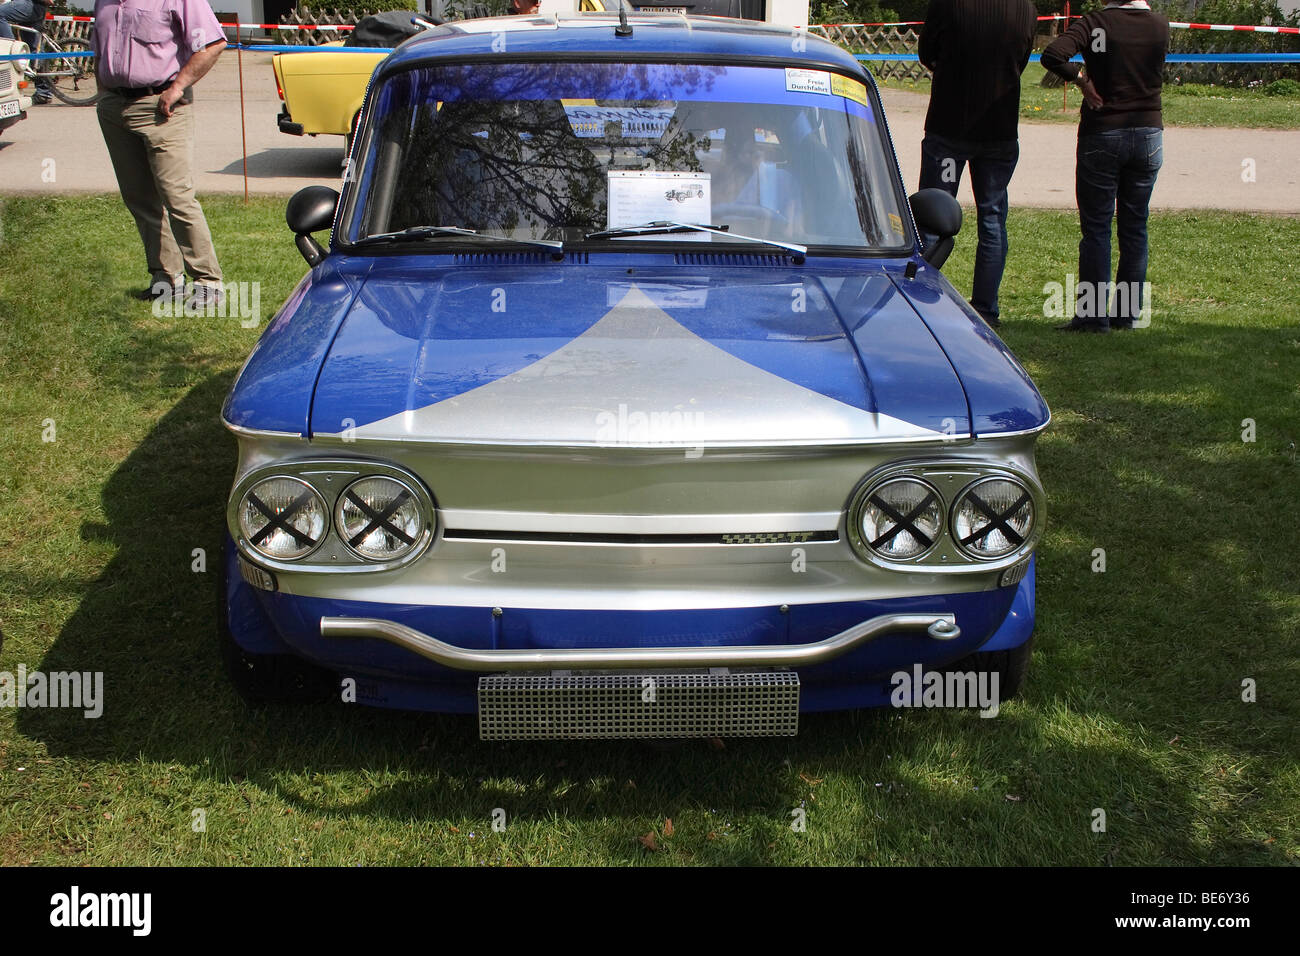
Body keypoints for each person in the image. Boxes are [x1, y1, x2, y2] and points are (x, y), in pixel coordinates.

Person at [91, 0, 227, 310]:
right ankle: (167, 280)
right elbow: (99, 50)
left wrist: (178, 87)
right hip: (115, 107)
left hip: (163, 108)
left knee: (176, 196)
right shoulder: (103, 1)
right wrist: (104, 94)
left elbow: (213, 43)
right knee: (139, 198)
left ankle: (208, 283)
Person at [1042, 1, 1169, 332]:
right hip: (1148, 131)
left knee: (1097, 228)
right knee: (1135, 227)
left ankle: (1093, 316)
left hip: (1103, 132)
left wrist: (1082, 80)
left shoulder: (1094, 22)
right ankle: (1126, 314)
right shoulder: (1159, 25)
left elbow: (1053, 54)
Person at [917, 0, 1037, 330]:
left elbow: (926, 51)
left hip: (949, 125)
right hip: (998, 128)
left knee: (931, 216)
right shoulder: (1025, 7)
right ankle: (986, 307)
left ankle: (920, 296)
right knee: (993, 218)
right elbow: (1023, 57)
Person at [0, 0, 53, 103]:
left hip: (31, 4)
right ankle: (44, 92)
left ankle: (11, 49)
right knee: (33, 51)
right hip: (38, 7)